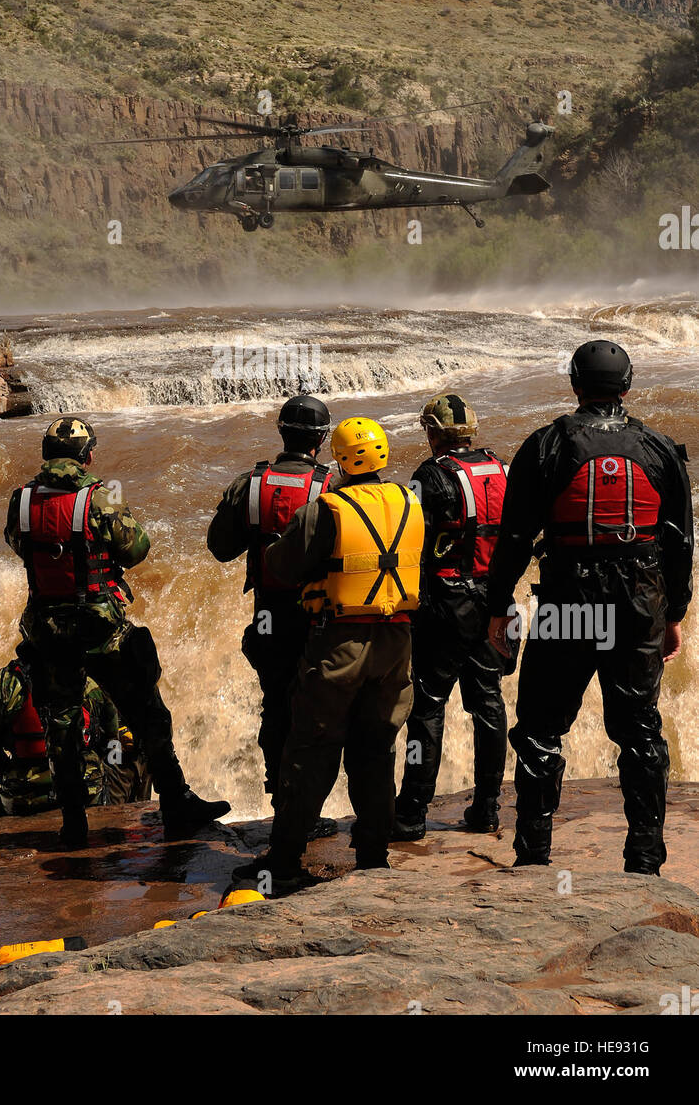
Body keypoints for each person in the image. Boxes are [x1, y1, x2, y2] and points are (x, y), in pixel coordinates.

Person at [487, 341, 694, 874]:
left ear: (575, 384)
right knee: (640, 729)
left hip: (568, 600)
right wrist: (674, 615)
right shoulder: (660, 447)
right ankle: (644, 861)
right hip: (639, 602)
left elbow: (514, 538)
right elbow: (680, 543)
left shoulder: (546, 444)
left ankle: (534, 858)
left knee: (540, 729)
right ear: (627, 386)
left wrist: (499, 605)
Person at [5, 416, 229, 848]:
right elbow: (136, 548)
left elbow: (19, 545)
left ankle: (74, 823)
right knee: (147, 712)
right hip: (100, 629)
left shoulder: (21, 500)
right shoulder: (100, 497)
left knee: (62, 725)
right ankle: (176, 802)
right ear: (87, 456)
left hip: (47, 633)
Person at [235, 416, 424, 886]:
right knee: (376, 748)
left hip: (341, 642)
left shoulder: (326, 509)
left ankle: (284, 861)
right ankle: (374, 856)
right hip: (397, 642)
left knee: (311, 748)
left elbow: (282, 566)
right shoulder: (411, 501)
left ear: (338, 458)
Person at [207, 394, 335, 835]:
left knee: (276, 706)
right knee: (318, 712)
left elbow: (220, 548)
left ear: (282, 433)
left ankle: (283, 805)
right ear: (321, 439)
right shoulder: (331, 487)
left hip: (269, 616)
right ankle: (307, 811)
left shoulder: (250, 485)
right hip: (319, 619)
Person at [394, 393, 509, 840]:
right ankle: (487, 808)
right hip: (496, 601)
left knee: (427, 707)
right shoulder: (501, 469)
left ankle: (411, 813)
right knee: (488, 703)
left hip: (446, 604)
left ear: (434, 432)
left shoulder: (431, 475)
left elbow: (411, 540)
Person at [0, 659, 150, 816]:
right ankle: (130, 820)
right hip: (86, 796)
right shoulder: (89, 679)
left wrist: (12, 775)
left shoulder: (9, 684)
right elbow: (112, 742)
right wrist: (111, 766)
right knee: (142, 751)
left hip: (23, 800)